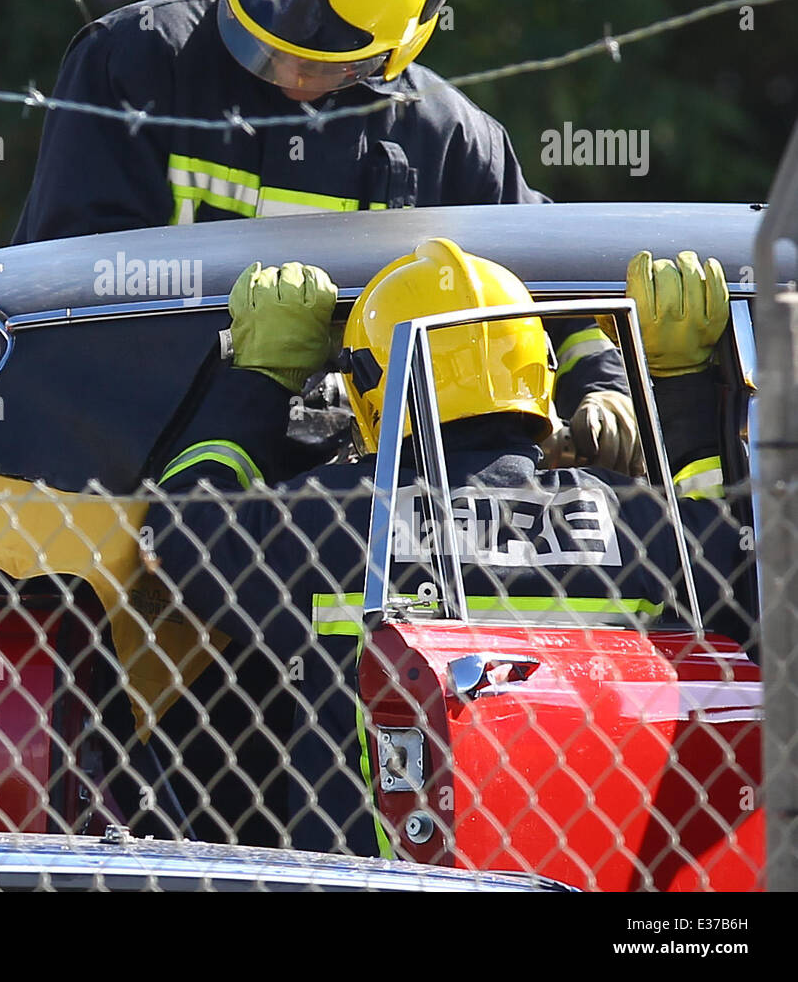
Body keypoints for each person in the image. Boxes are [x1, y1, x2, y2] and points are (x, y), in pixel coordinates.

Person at [13, 0, 634, 470]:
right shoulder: (136, 65)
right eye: (265, 44)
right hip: (123, 447)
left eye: (324, 63)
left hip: (349, 486)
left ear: (410, 33)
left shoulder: (449, 142)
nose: (291, 75)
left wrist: (602, 384)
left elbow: (553, 285)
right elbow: (68, 293)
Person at [142, 241, 751, 857]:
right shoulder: (641, 524)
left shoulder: (325, 519)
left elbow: (182, 532)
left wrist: (261, 376)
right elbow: (742, 575)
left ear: (370, 386)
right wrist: (682, 388)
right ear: (539, 371)